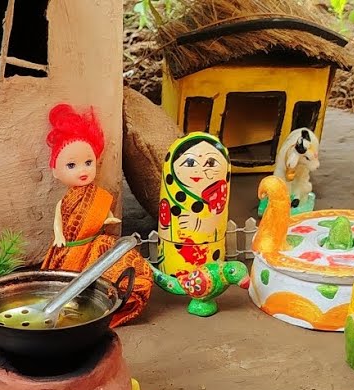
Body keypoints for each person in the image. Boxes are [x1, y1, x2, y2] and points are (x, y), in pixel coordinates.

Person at [42, 103, 151, 327]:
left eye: (88, 163)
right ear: (55, 170)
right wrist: (59, 236)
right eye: (71, 165)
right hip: (71, 248)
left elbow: (104, 213)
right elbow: (58, 221)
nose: (82, 170)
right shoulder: (64, 201)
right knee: (66, 280)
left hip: (93, 245)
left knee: (104, 273)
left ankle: (100, 301)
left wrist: (108, 218)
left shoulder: (99, 196)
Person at [158, 132, 232, 276]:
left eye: (211, 163)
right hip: (173, 254)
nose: (200, 170)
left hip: (209, 253)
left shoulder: (217, 194)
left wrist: (199, 224)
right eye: (190, 163)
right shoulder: (171, 193)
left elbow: (216, 222)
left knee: (208, 278)